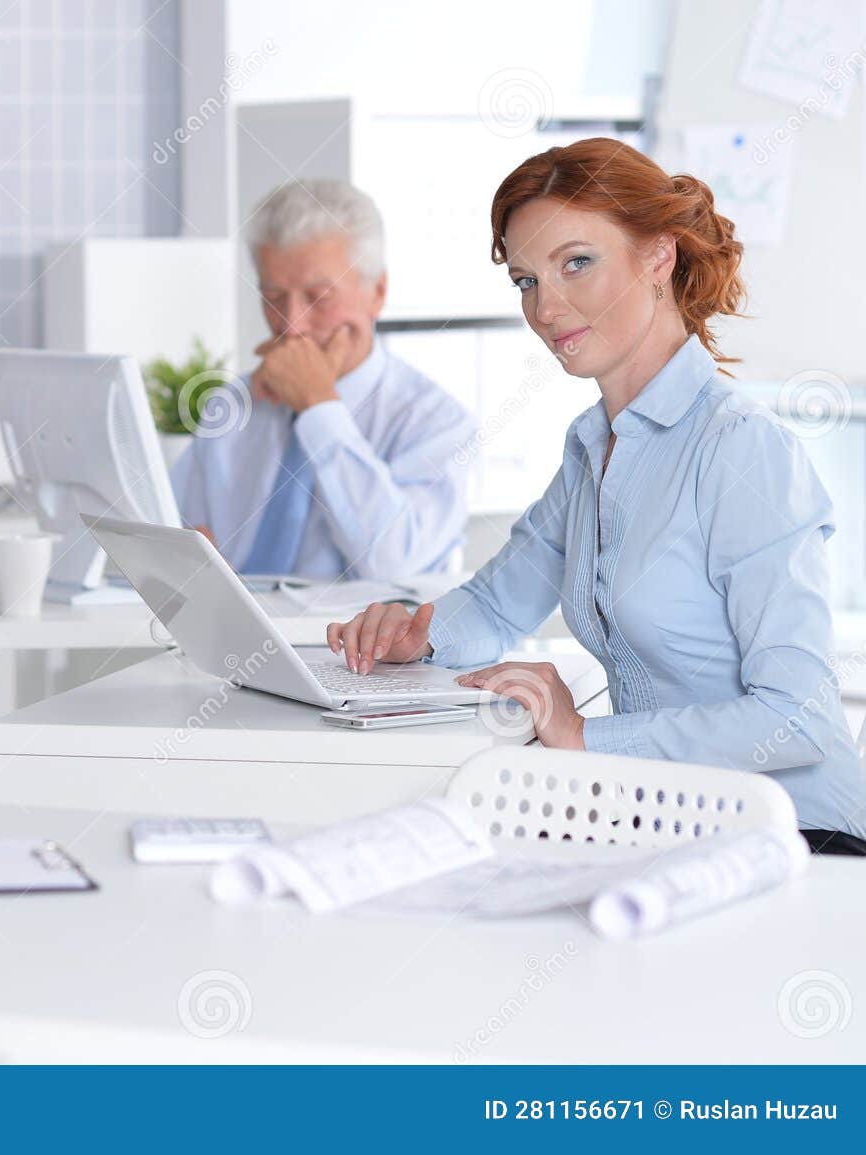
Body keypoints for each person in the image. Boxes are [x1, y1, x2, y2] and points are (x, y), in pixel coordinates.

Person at [327, 138, 866, 850]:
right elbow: (496, 602)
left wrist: (586, 734)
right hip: (671, 825)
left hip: (801, 838)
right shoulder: (593, 448)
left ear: (658, 257)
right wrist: (410, 632)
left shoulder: (739, 448)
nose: (548, 307)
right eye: (525, 281)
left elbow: (799, 718)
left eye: (576, 262)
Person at [170, 179, 475, 580]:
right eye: (274, 297)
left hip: (347, 644)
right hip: (226, 639)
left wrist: (318, 406)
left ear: (377, 292)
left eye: (318, 296)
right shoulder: (236, 404)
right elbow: (167, 533)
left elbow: (392, 563)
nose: (292, 325)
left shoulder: (436, 421)